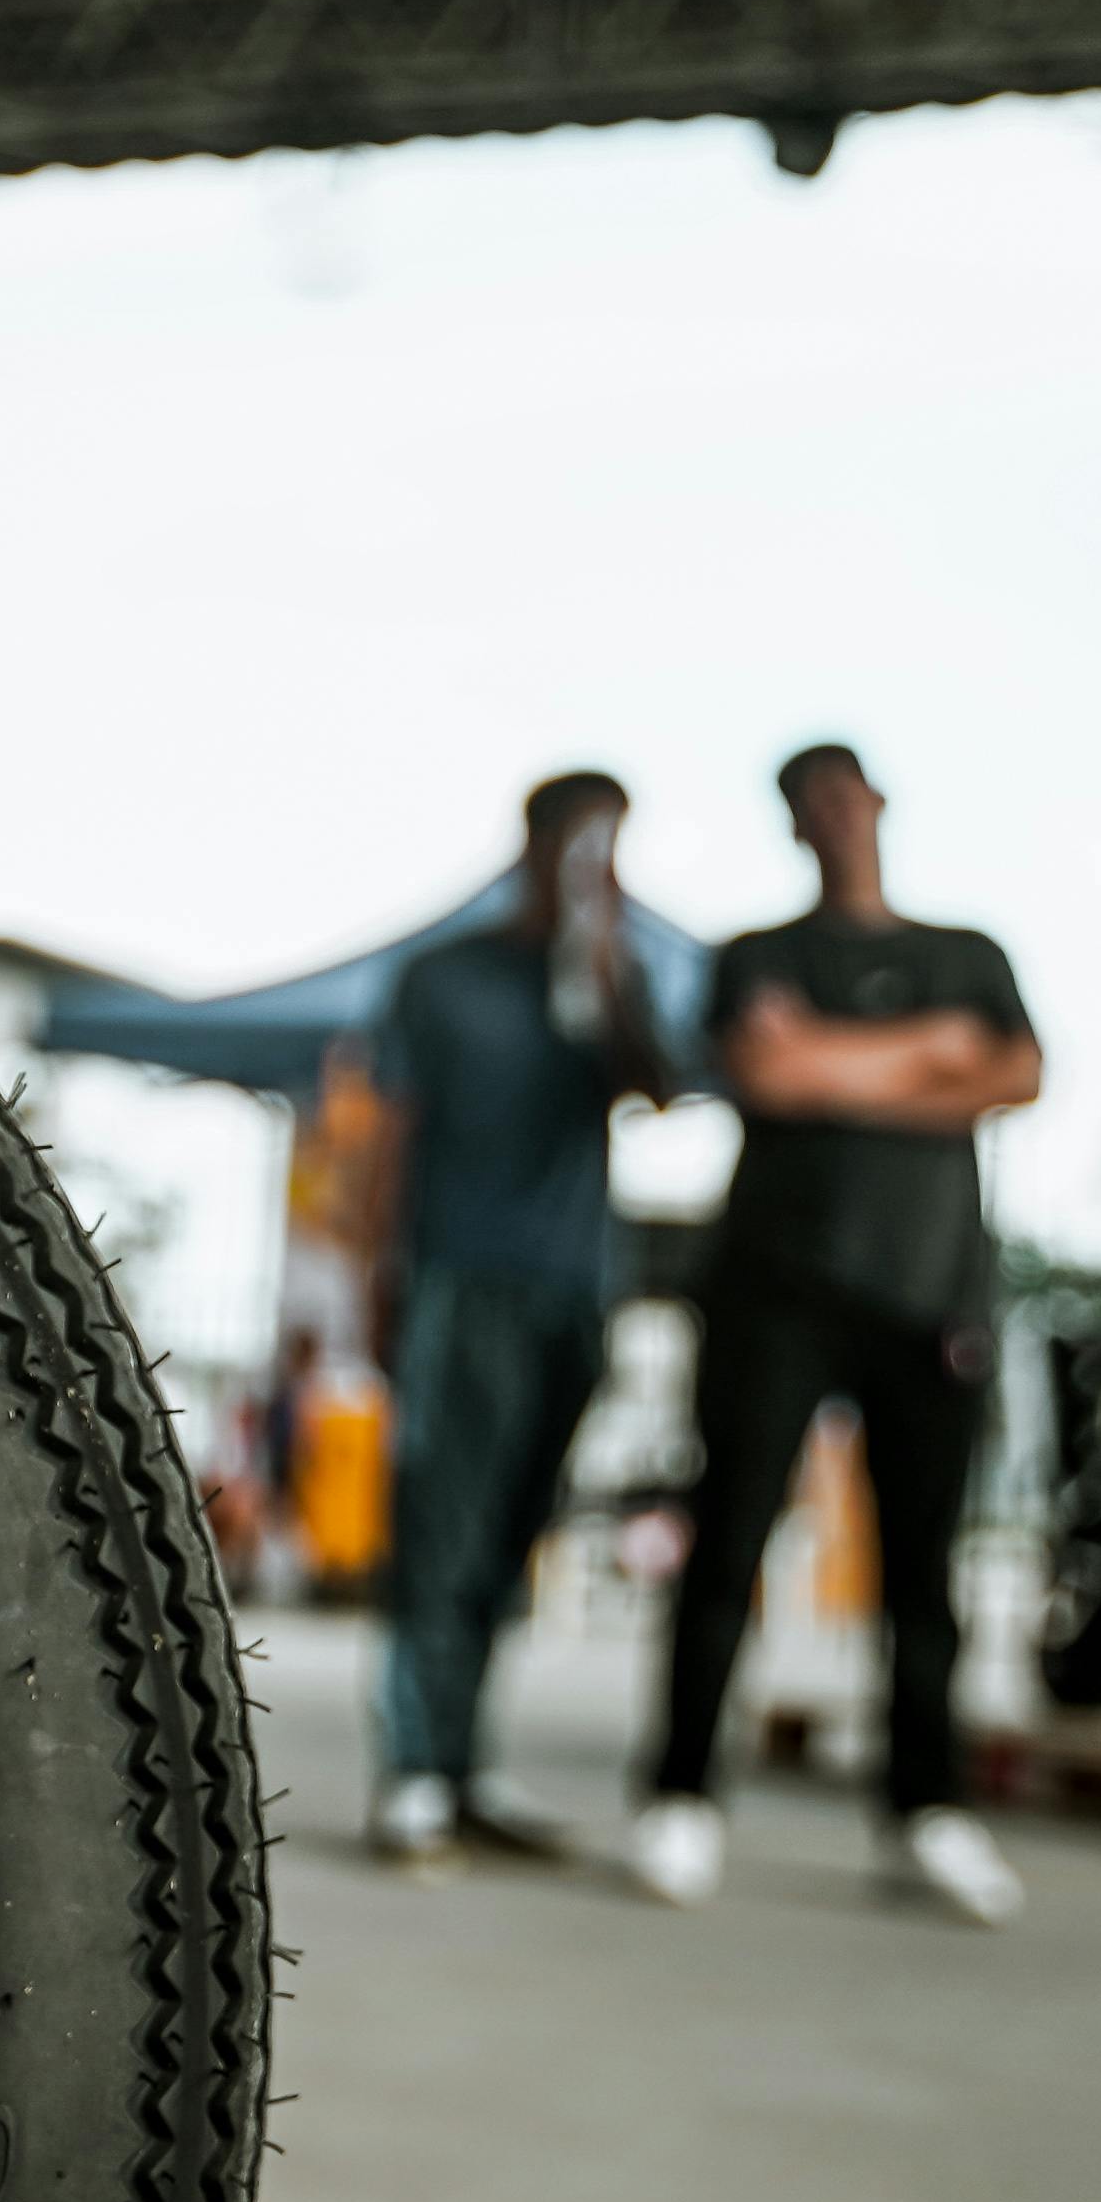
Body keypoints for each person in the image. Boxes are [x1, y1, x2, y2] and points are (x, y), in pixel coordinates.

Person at [634, 743, 1042, 1923]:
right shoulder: (756, 955)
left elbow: (1015, 1074)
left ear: (877, 803)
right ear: (792, 825)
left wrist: (832, 1060)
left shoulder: (969, 954)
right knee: (729, 1541)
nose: (834, 815)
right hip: (776, 1291)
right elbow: (766, 1077)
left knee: (924, 1569)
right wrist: (929, 1054)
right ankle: (680, 1793)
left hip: (930, 1297)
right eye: (809, 801)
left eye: (845, 794)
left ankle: (928, 1810)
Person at [365, 767, 679, 1867]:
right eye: (583, 841)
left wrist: (606, 969)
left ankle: (465, 1762)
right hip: (462, 1275)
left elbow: (658, 1087)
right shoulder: (442, 977)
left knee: (514, 1530)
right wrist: (380, 1283)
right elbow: (392, 1131)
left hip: (575, 1287)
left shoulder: (612, 979)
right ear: (536, 843)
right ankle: (414, 1770)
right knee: (442, 1525)